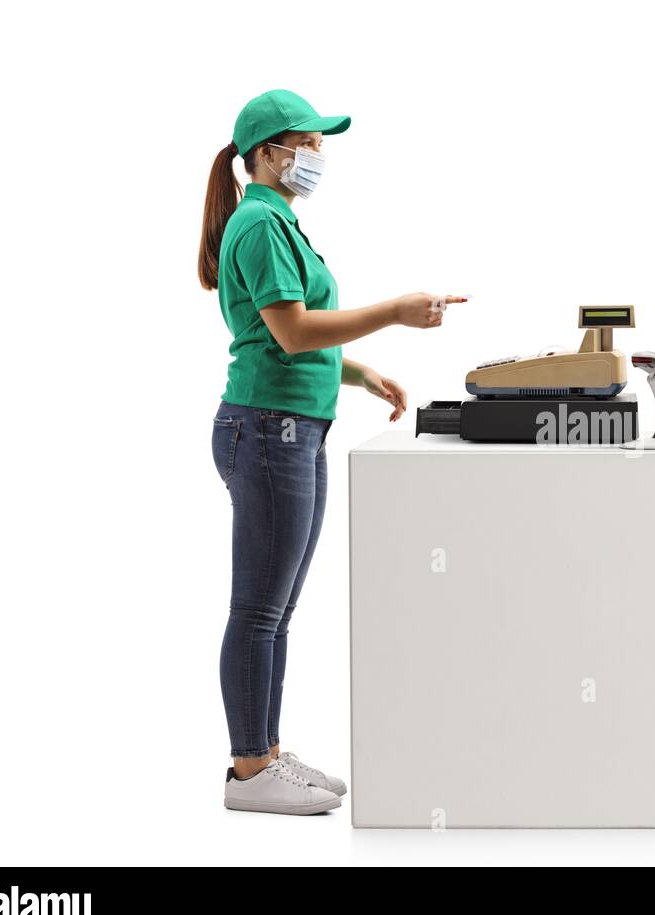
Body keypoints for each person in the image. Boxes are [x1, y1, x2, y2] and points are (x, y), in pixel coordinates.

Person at [198, 89, 468, 815]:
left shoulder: (278, 220)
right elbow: (290, 333)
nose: (318, 155)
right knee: (258, 608)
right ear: (267, 154)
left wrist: (359, 372)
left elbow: (287, 330)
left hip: (294, 426)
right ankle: (249, 771)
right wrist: (394, 315)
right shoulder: (258, 222)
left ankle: (267, 753)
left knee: (275, 610)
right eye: (307, 143)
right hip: (267, 431)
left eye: (320, 144)